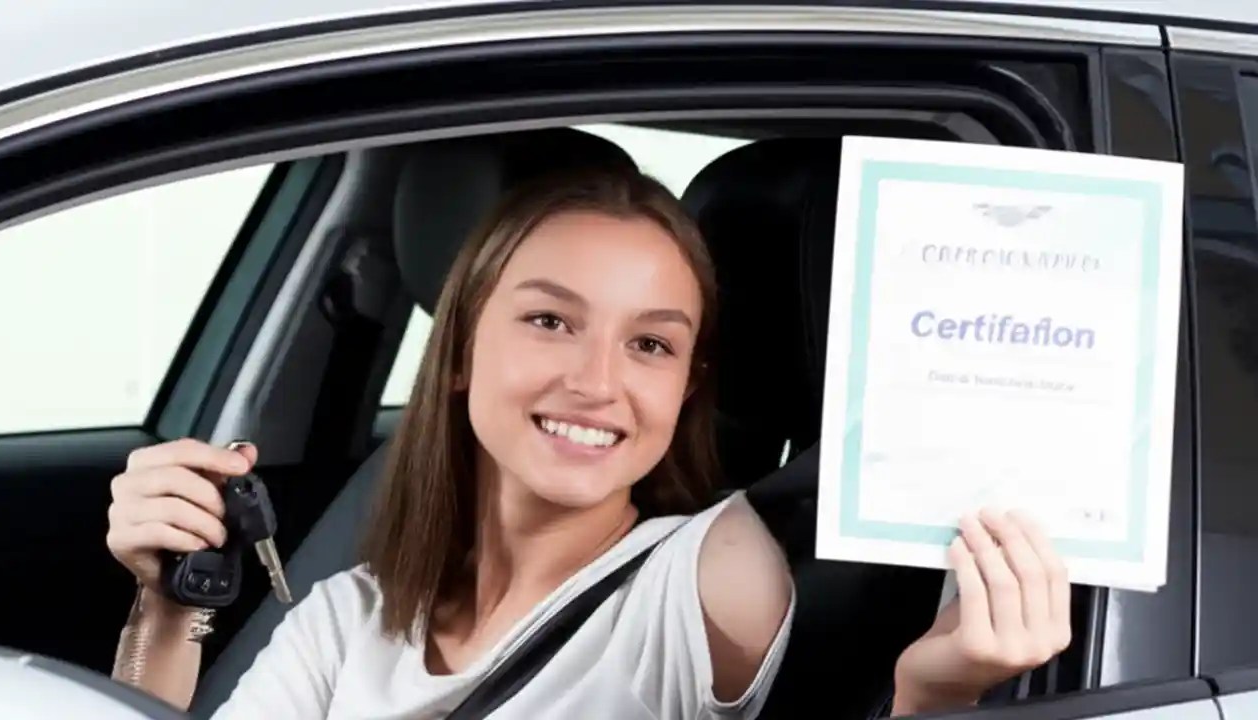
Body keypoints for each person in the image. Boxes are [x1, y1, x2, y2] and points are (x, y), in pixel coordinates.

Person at [106, 165, 1071, 719]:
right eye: (551, 322)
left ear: (685, 389)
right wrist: (161, 610)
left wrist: (930, 698)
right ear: (458, 351)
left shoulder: (710, 577)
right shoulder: (346, 615)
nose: (598, 382)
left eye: (649, 343)